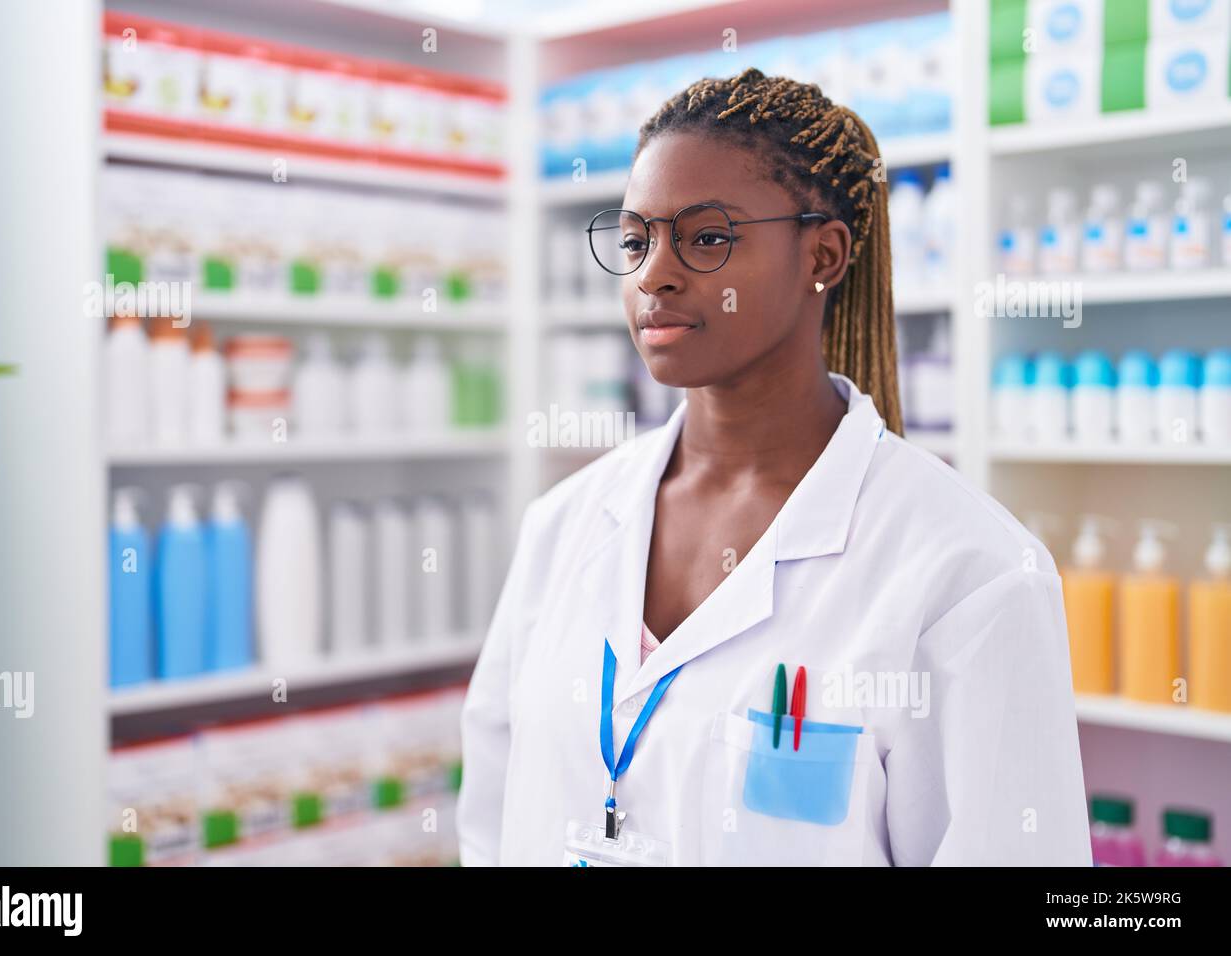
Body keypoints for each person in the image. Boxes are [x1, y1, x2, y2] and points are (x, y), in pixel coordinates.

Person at [457, 68, 1091, 866]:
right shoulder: (564, 525)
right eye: (634, 239)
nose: (655, 272)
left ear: (822, 254)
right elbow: (491, 821)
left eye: (707, 237)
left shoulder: (970, 574)